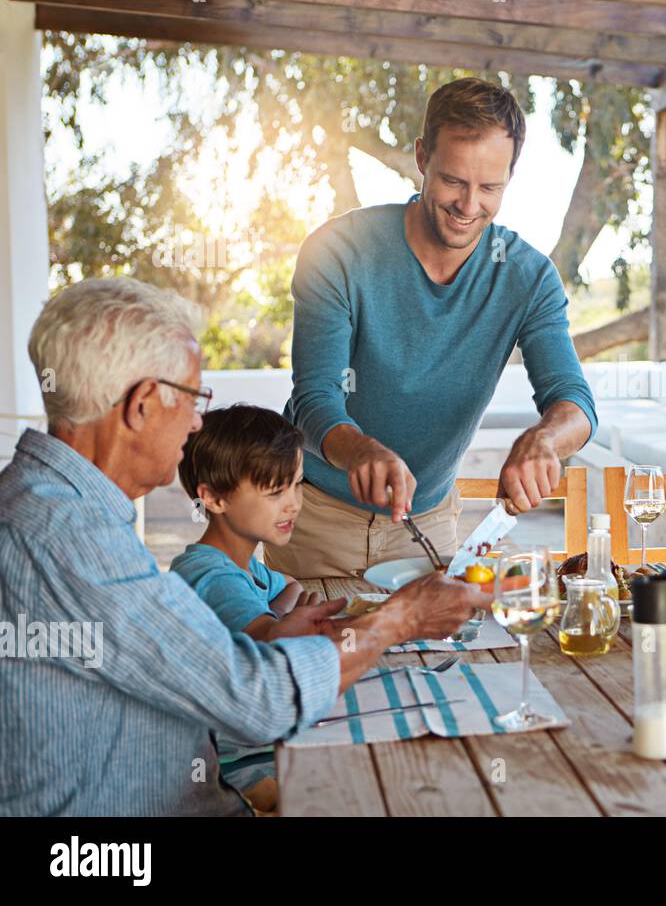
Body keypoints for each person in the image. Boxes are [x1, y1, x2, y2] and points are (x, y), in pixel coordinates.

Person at [0, 278, 480, 815]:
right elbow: (260, 700)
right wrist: (403, 618)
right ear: (140, 406)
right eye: (191, 397)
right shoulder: (72, 536)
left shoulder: (43, 504)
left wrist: (276, 637)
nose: (198, 420)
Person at [268, 77, 597, 580]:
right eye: (453, 181)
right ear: (422, 157)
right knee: (314, 656)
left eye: (490, 188)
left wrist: (547, 440)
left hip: (429, 527)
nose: (469, 206)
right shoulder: (338, 251)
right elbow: (315, 399)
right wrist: (360, 450)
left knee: (437, 660)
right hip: (311, 519)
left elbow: (573, 400)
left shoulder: (527, 277)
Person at [169, 405, 323, 812]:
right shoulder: (209, 574)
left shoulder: (246, 566)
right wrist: (281, 624)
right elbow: (272, 643)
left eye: (297, 484)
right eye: (275, 492)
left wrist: (277, 615)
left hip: (259, 740)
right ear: (213, 498)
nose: (293, 504)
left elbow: (288, 587)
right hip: (234, 766)